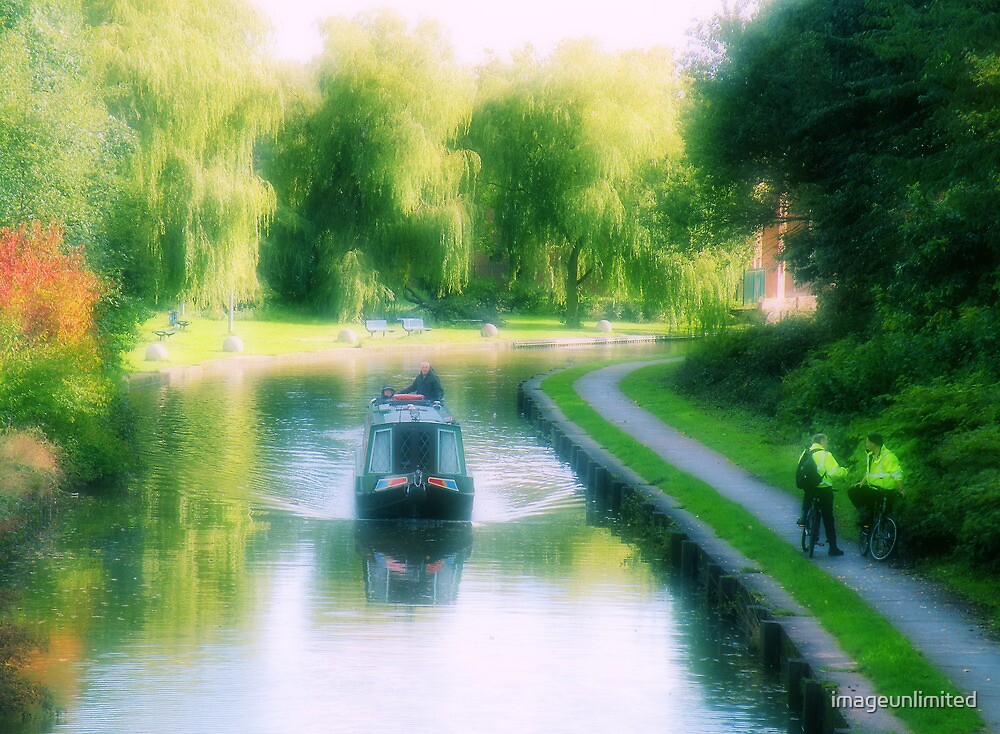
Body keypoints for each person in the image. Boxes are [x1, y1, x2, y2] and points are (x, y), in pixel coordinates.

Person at [798, 433, 848, 556]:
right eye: (826, 441)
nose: (827, 443)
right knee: (828, 517)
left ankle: (804, 517)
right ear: (822, 441)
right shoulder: (826, 455)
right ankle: (832, 548)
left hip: (809, 488)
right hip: (823, 488)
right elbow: (835, 473)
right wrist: (844, 472)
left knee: (808, 497)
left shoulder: (805, 453)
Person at [849, 433, 903, 526]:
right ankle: (867, 516)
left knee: (854, 493)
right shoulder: (870, 455)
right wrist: (861, 482)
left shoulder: (888, 457)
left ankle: (867, 516)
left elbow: (897, 474)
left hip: (884, 491)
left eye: (867, 442)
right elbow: (869, 472)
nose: (866, 444)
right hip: (874, 489)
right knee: (853, 490)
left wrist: (901, 490)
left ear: (873, 443)